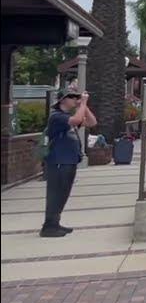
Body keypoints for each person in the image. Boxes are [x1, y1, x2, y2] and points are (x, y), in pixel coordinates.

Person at [42, 88, 96, 237]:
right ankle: (48, 226)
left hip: (69, 161)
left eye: (76, 97)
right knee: (55, 193)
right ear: (62, 100)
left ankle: (55, 223)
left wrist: (83, 106)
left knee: (63, 193)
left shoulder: (67, 117)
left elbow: (92, 122)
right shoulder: (57, 117)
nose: (75, 99)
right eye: (71, 97)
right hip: (58, 161)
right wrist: (83, 103)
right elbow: (77, 120)